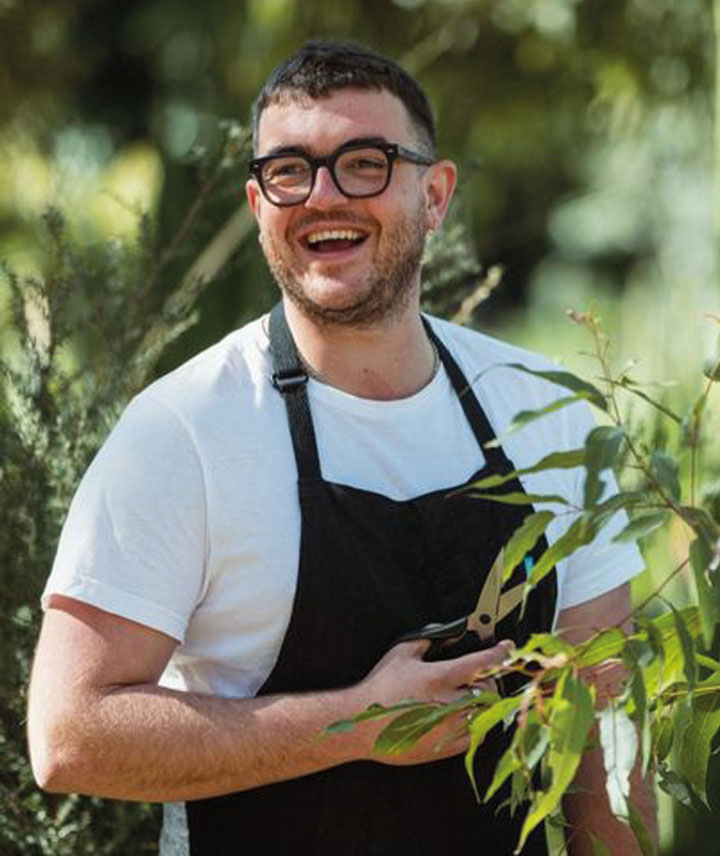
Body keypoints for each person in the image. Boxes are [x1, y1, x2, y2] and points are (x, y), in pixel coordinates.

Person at [28, 40, 652, 855]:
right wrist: (360, 724)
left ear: (436, 196)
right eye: (291, 170)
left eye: (364, 162)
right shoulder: (182, 433)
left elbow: (603, 725)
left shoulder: (551, 413)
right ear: (259, 207)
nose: (323, 196)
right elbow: (70, 736)